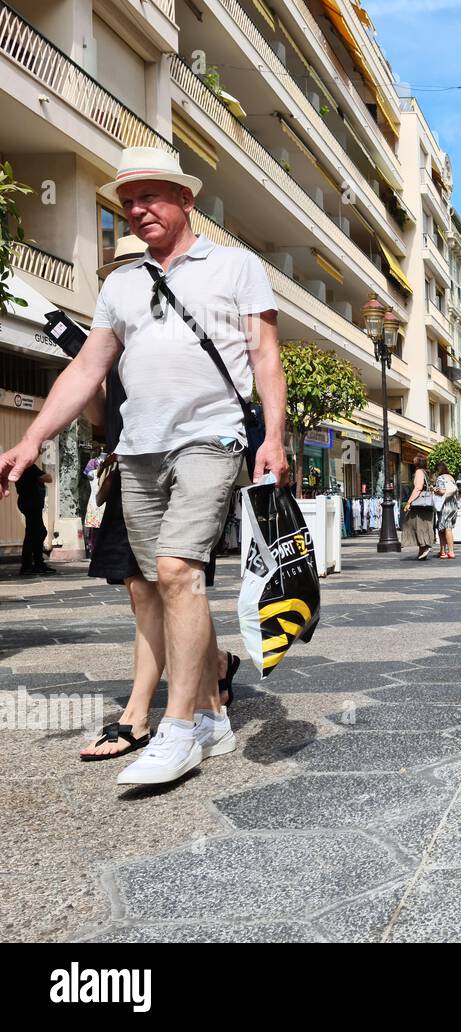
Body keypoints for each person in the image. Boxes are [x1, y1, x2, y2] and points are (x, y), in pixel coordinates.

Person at [0, 145, 288, 786]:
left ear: (186, 199)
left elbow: (266, 356)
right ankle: (213, 713)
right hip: (138, 449)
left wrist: (274, 436)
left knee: (177, 570)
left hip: (211, 438)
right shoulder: (120, 283)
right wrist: (34, 441)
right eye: (127, 201)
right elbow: (87, 368)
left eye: (150, 197)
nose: (136, 210)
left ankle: (178, 728)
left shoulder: (235, 266)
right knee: (156, 585)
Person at [78, 236, 237, 763]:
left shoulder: (180, 340)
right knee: (150, 588)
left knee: (168, 581)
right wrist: (94, 376)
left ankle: (148, 714)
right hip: (131, 465)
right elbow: (100, 418)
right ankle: (210, 684)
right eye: (122, 272)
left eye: (138, 268)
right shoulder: (115, 338)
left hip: (187, 460)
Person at [15, 460, 54, 574]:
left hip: (28, 502)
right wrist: (40, 477)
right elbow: (48, 478)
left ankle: (37, 563)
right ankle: (29, 565)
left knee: (37, 532)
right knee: (34, 533)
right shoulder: (29, 466)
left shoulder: (22, 466)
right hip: (31, 503)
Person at [403, 464, 435, 559]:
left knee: (415, 524)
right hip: (426, 505)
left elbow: (418, 488)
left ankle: (426, 546)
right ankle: (422, 552)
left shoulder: (419, 472)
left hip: (420, 504)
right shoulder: (426, 472)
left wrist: (409, 502)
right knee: (424, 526)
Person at [430, 462, 458, 559]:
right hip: (453, 506)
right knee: (443, 528)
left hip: (444, 505)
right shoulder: (451, 477)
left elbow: (442, 491)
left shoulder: (441, 478)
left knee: (446, 528)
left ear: (438, 470)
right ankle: (443, 551)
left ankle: (450, 552)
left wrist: (434, 489)